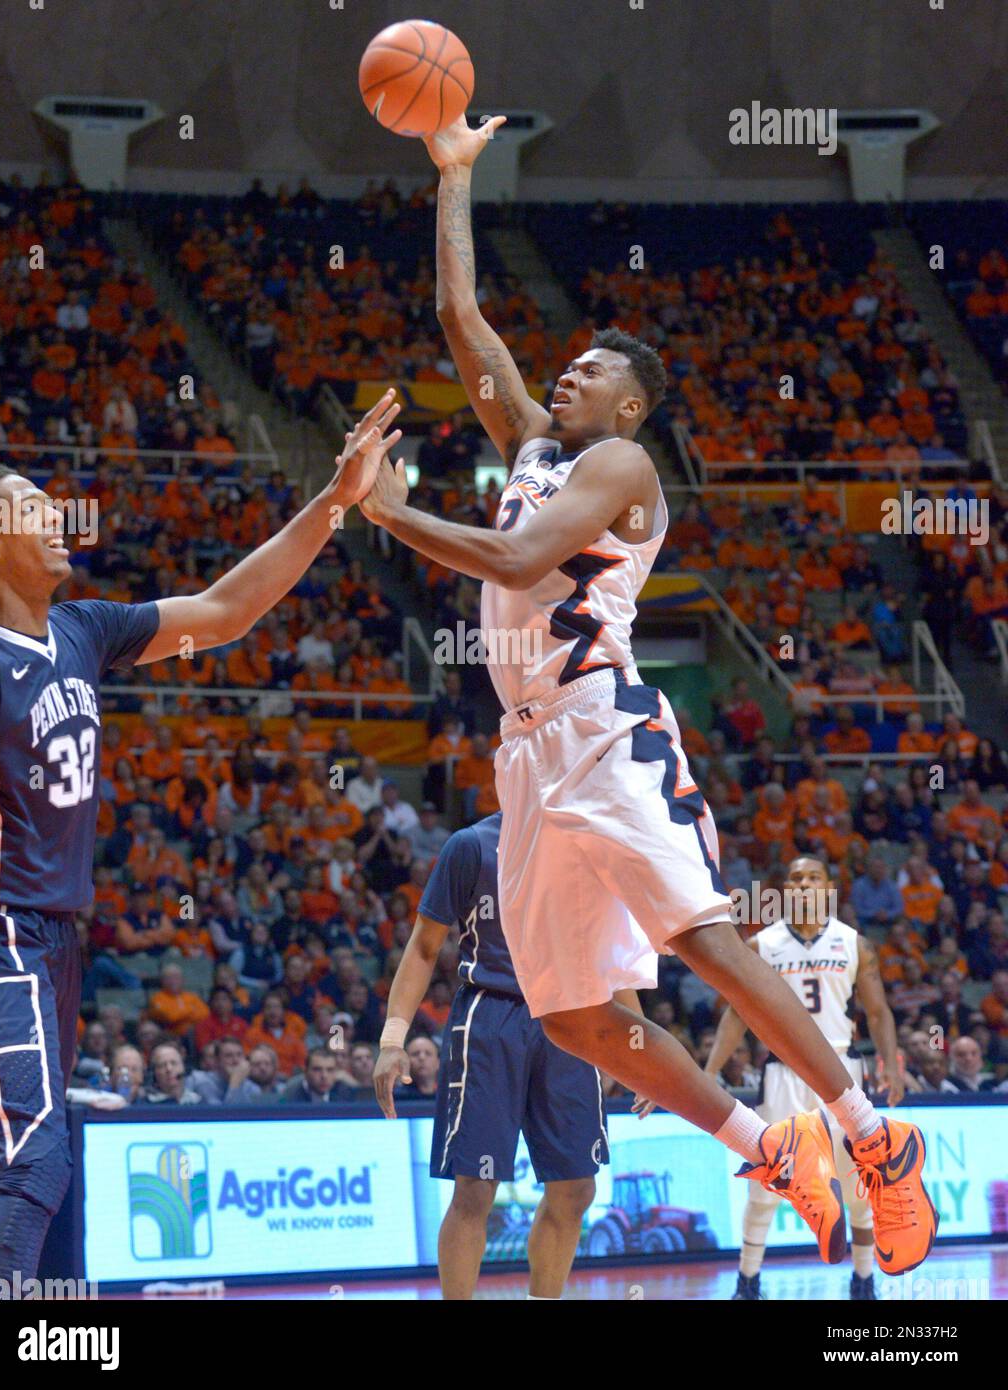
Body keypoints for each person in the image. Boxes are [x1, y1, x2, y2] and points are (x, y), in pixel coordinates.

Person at [354, 114, 936, 1276]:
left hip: (600, 728)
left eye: (593, 369)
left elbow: (519, 565)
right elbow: (458, 323)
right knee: (573, 1016)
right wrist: (455, 179)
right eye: (566, 362)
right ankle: (766, 1144)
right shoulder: (525, 441)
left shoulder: (618, 468)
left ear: (629, 408)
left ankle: (876, 1142)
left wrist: (383, 509)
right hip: (523, 762)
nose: (566, 370)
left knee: (708, 942)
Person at [0, 394, 400, 1296]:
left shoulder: (80, 629)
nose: (54, 515)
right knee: (33, 1161)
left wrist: (335, 499)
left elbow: (225, 610)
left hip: (53, 942)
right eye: (28, 507)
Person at [374, 812, 644, 1299]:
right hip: (490, 1017)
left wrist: (641, 1056)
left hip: (571, 1016)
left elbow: (613, 961)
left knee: (577, 1186)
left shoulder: (589, 842)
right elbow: (422, 948)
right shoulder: (471, 844)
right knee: (476, 1188)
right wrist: (393, 1038)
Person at [705, 857, 906, 1301]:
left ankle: (863, 1281)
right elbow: (738, 1013)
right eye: (795, 878)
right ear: (785, 888)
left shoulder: (855, 944)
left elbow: (877, 1012)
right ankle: (748, 1282)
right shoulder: (763, 944)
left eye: (813, 877)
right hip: (783, 1074)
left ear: (828, 887)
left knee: (857, 1184)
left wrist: (891, 1064)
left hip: (842, 1073)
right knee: (768, 1184)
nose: (803, 883)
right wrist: (712, 1069)